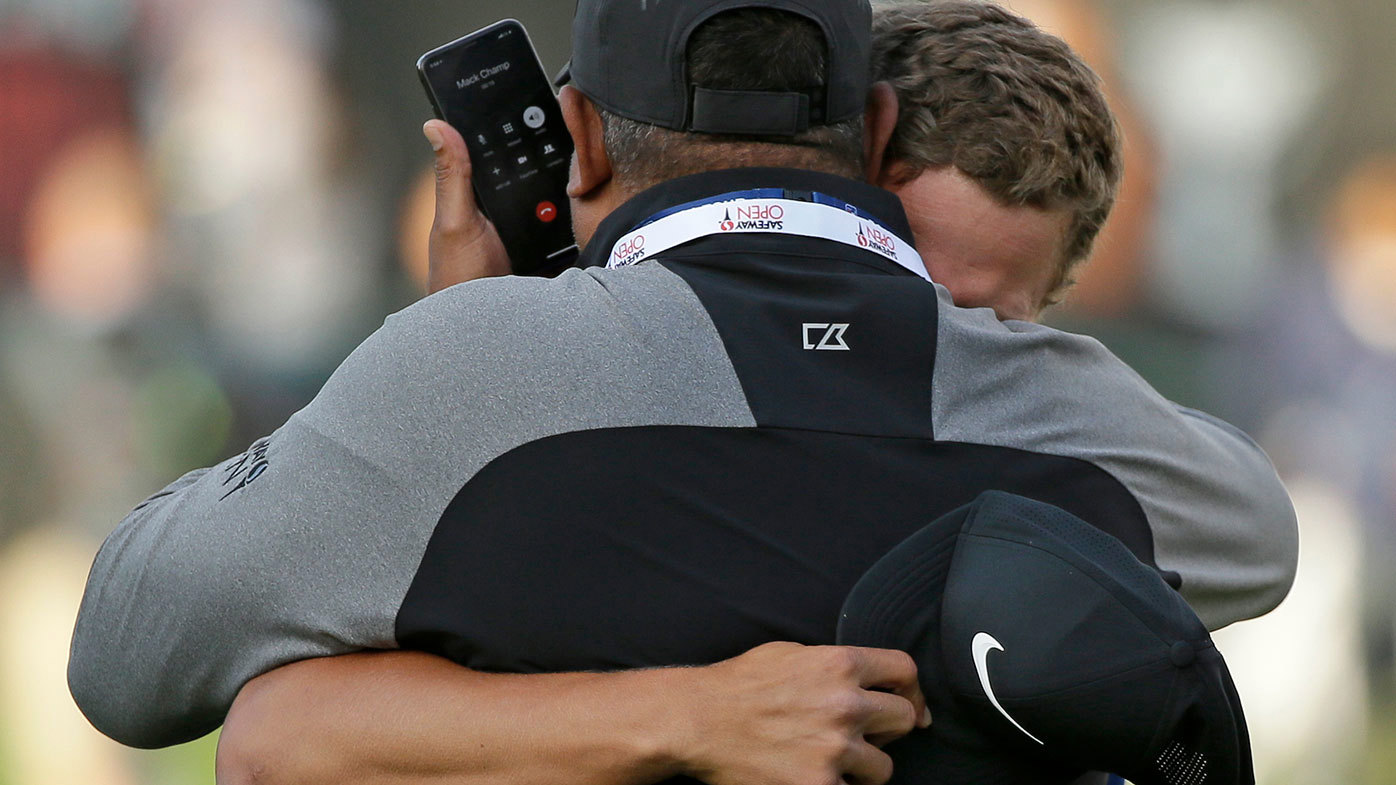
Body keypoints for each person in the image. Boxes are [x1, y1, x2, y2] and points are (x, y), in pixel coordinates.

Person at [69, 3, 1297, 785]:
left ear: (581, 136)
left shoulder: (469, 374)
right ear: (871, 133)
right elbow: (1255, 535)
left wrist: (464, 345)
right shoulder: (1073, 423)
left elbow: (128, 659)